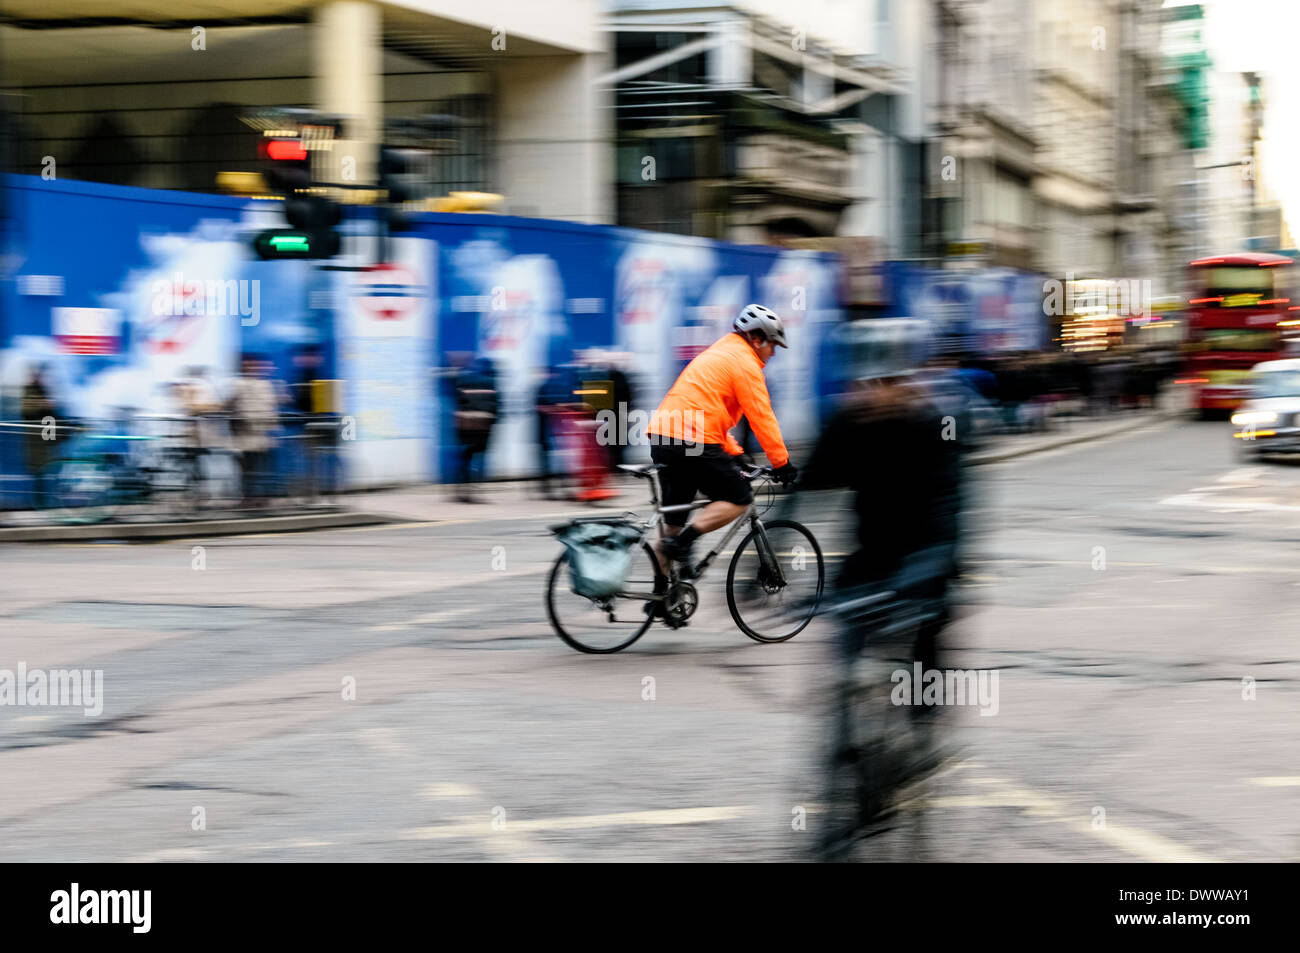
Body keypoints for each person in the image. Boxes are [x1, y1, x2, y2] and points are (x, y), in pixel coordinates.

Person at [647, 304, 797, 578]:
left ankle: (661, 599)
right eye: (772, 344)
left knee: (673, 525)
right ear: (757, 338)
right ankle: (683, 544)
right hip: (692, 440)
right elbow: (761, 416)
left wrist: (735, 453)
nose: (773, 352)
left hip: (663, 437)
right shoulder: (745, 362)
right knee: (738, 498)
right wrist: (781, 462)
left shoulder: (719, 352)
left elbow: (710, 412)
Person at [228, 355, 279, 505]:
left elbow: (231, 404)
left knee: (250, 468)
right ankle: (256, 497)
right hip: (254, 435)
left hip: (250, 435)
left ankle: (252, 497)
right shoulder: (263, 385)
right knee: (254, 467)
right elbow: (271, 407)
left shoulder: (240, 384)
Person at [453, 356, 499, 503]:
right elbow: (496, 404)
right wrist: (496, 419)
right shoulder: (491, 382)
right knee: (480, 456)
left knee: (466, 455)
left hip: (465, 424)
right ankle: (474, 490)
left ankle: (462, 489)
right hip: (484, 425)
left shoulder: (463, 379)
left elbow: (458, 401)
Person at [20, 364, 59, 508]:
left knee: (44, 472)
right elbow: (26, 411)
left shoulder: (42, 390)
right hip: (34, 440)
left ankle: (45, 503)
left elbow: (50, 415)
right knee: (38, 474)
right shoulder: (28, 390)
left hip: (45, 439)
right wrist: (44, 405)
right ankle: (38, 504)